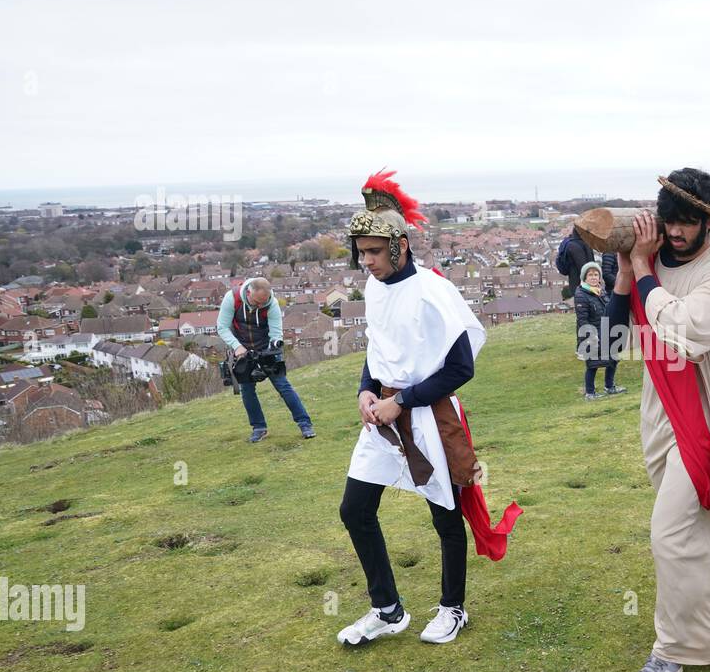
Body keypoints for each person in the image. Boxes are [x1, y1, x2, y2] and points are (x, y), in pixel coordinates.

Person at [336, 170, 521, 647]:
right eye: (362, 252)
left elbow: (461, 368)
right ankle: (387, 609)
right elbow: (378, 348)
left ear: (398, 246)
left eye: (374, 251)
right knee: (355, 509)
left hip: (428, 414)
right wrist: (366, 389)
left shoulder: (435, 292)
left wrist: (404, 401)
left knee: (445, 514)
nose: (367, 261)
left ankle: (452, 608)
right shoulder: (374, 289)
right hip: (385, 412)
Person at [606, 166, 710, 672]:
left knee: (669, 534)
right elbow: (613, 334)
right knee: (697, 532)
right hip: (657, 411)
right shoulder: (647, 257)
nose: (677, 233)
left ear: (709, 223)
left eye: (689, 223)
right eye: (670, 221)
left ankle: (672, 650)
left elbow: (685, 332)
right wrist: (628, 271)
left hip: (706, 417)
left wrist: (643, 268)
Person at [216, 276, 314, 443]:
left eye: (264, 302)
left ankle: (305, 424)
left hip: (266, 348)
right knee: (247, 390)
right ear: (248, 293)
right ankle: (259, 427)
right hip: (242, 349)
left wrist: (273, 348)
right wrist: (237, 346)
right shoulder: (232, 298)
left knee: (283, 386)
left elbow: (275, 333)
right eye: (257, 302)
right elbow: (222, 327)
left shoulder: (272, 304)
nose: (261, 305)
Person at [574, 259, 626, 399]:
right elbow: (582, 318)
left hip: (606, 332)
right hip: (592, 335)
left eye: (596, 275)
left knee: (613, 360)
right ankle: (590, 393)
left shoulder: (601, 291)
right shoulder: (581, 294)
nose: (593, 277)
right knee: (593, 364)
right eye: (590, 275)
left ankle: (609, 386)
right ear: (585, 277)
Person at [555, 226, 595, 298]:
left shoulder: (579, 242)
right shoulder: (574, 246)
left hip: (578, 285)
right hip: (580, 286)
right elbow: (584, 269)